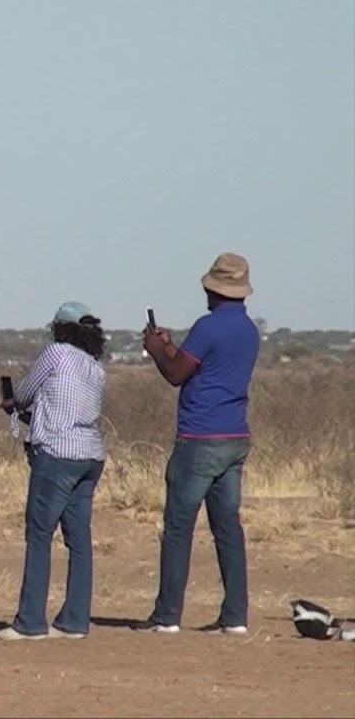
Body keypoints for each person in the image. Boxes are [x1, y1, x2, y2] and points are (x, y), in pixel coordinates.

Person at [140, 252, 260, 635]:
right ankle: (235, 616)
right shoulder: (249, 330)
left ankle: (167, 615)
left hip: (199, 437)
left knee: (178, 526)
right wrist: (171, 348)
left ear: (213, 289)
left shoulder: (207, 327)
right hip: (234, 435)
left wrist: (157, 350)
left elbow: (177, 374)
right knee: (227, 526)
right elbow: (198, 365)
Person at [0, 301, 108, 641]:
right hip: (90, 455)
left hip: (57, 454)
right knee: (79, 539)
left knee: (39, 534)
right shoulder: (96, 369)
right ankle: (74, 620)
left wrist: (11, 405)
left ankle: (30, 621)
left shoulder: (56, 353)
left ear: (60, 329)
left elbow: (26, 394)